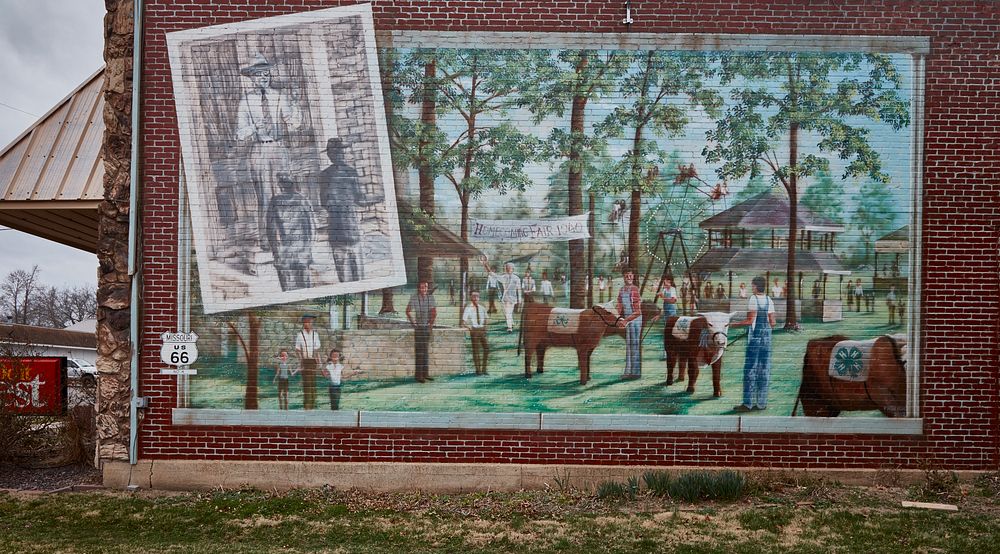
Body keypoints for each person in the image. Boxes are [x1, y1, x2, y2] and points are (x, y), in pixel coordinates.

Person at [236, 53, 302, 251]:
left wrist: (296, 110)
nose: (263, 78)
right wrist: (254, 128)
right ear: (251, 78)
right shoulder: (245, 102)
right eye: (258, 75)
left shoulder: (279, 96)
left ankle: (288, 236)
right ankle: (268, 240)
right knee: (265, 196)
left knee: (285, 193)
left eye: (266, 74)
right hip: (260, 150)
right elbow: (240, 133)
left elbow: (294, 124)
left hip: (279, 148)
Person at [319, 138, 364, 283]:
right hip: (349, 229)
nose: (339, 154)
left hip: (338, 230)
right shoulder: (350, 173)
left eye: (339, 151)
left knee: (345, 275)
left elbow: (324, 202)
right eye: (337, 151)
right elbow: (360, 199)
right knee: (356, 273)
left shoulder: (325, 175)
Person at [731, 276, 776, 412]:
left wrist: (733, 325)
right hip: (767, 340)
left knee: (750, 370)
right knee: (764, 370)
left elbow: (750, 321)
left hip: (755, 339)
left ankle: (748, 404)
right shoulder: (769, 300)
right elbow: (773, 322)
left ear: (756, 286)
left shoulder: (753, 299)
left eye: (752, 285)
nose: (752, 287)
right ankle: (761, 403)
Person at [265, 172, 314, 291]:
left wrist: (275, 251)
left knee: (288, 289)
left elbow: (271, 230)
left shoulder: (275, 201)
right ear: (292, 184)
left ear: (280, 185)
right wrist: (308, 247)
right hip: (301, 251)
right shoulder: (302, 200)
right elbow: (311, 227)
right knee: (306, 287)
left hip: (284, 252)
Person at [406, 281, 437, 383]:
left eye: (426, 287)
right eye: (422, 287)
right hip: (419, 328)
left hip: (427, 328)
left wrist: (430, 325)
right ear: (419, 288)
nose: (424, 289)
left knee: (425, 351)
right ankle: (419, 376)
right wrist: (414, 323)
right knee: (419, 352)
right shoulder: (414, 298)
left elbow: (434, 313)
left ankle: (426, 374)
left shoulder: (430, 298)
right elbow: (408, 311)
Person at [616, 268, 643, 380]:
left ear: (633, 277)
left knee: (634, 345)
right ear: (624, 277)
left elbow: (638, 311)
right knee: (629, 345)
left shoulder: (635, 290)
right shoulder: (622, 290)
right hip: (627, 319)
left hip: (635, 320)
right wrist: (617, 317)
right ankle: (628, 371)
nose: (629, 278)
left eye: (631, 276)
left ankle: (635, 372)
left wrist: (626, 320)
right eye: (627, 276)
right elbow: (619, 305)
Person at [483, 259, 522, 332]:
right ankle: (511, 323)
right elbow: (493, 275)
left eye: (509, 268)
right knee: (506, 312)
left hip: (512, 299)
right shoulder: (504, 277)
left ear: (512, 269)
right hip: (505, 298)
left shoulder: (517, 278)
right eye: (506, 268)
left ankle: (509, 327)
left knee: (508, 312)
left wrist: (519, 301)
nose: (507, 270)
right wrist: (486, 265)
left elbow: (519, 290)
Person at [294, 314, 322, 410]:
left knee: (313, 383)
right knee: (306, 384)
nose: (309, 323)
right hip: (305, 361)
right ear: (303, 323)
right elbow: (297, 350)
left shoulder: (315, 334)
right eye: (306, 321)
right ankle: (307, 405)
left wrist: (319, 363)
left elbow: (317, 350)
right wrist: (301, 361)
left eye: (310, 322)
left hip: (313, 361)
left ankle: (313, 404)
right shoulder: (300, 335)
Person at [461, 291, 490, 375]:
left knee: (487, 348)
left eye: (477, 296)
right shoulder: (468, 308)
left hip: (482, 330)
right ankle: (478, 370)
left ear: (479, 297)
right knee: (476, 350)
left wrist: (485, 327)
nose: (475, 298)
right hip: (474, 331)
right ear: (471, 297)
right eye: (474, 296)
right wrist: (470, 328)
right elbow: (463, 321)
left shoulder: (482, 307)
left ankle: (484, 369)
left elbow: (486, 318)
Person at [656, 277, 678, 361]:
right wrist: (659, 315)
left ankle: (674, 352)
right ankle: (666, 353)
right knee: (666, 333)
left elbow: (673, 301)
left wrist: (662, 297)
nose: (664, 284)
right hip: (666, 314)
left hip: (671, 314)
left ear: (670, 282)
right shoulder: (665, 290)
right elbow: (664, 305)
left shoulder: (672, 289)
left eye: (666, 282)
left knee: (672, 333)